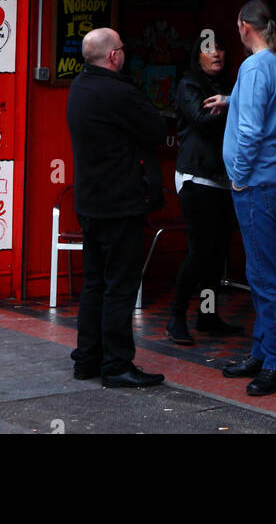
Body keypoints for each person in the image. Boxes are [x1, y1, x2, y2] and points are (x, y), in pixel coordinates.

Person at [66, 26, 166, 389]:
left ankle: (86, 358)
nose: (124, 54)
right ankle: (117, 365)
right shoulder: (119, 92)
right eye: (122, 48)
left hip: (89, 203)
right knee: (120, 287)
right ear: (113, 56)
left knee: (94, 284)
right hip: (120, 204)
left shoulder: (78, 87)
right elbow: (155, 129)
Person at [214, 0, 276, 397]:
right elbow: (271, 111)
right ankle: (262, 352)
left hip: (257, 183)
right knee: (262, 272)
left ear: (244, 26)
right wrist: (230, 101)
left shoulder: (253, 67)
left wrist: (239, 179)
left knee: (264, 276)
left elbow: (250, 131)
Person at [165, 30, 243, 346]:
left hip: (223, 179)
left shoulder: (225, 89)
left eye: (220, 48)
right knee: (199, 250)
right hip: (196, 178)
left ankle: (207, 315)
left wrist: (229, 102)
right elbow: (198, 116)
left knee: (216, 252)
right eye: (209, 49)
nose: (216, 54)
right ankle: (176, 316)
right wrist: (231, 106)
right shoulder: (188, 85)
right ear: (197, 55)